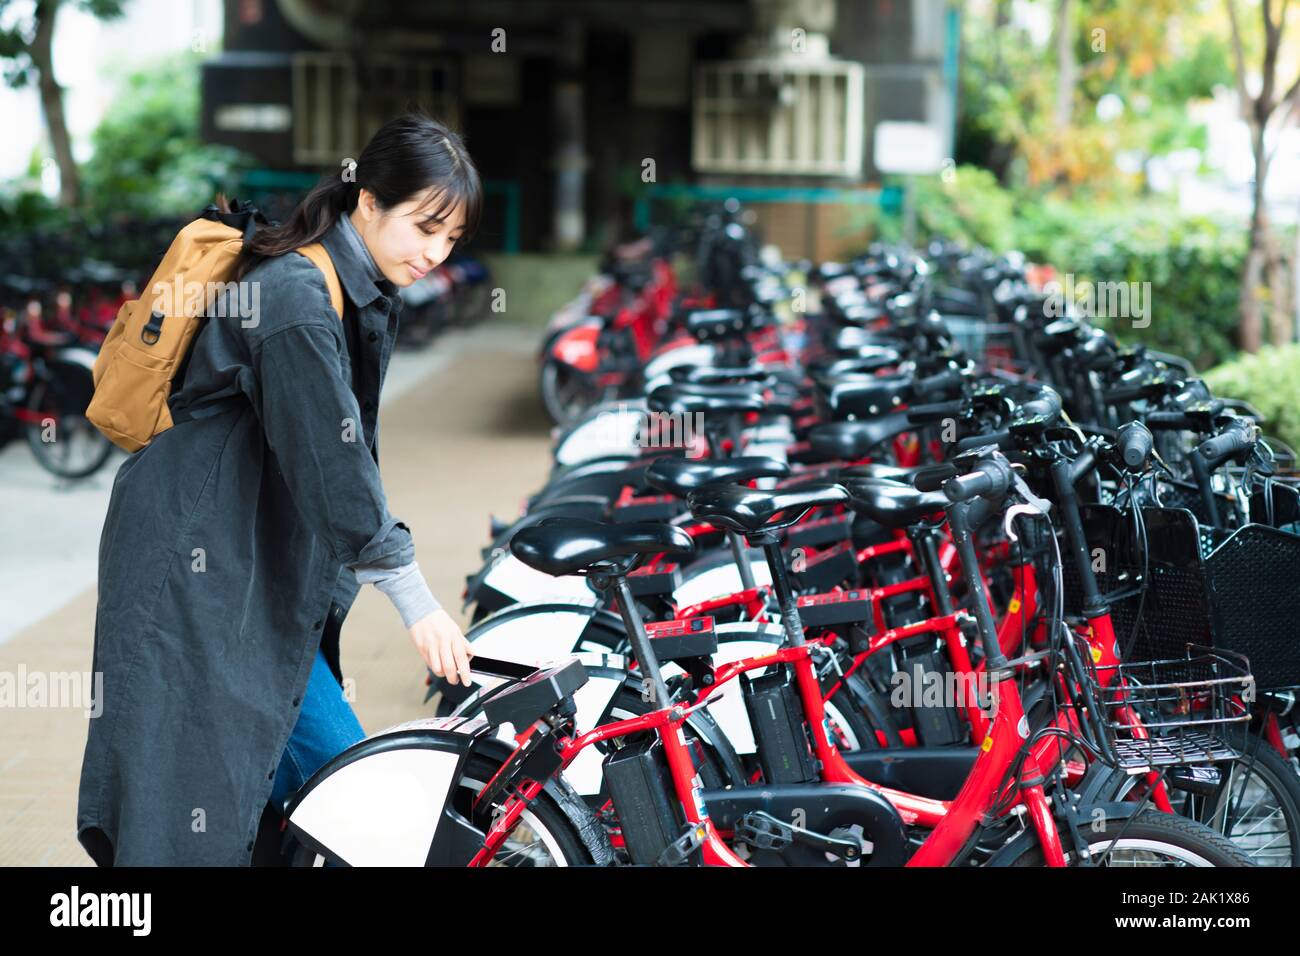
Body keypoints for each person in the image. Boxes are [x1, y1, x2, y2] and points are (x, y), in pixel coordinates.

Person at [76, 111, 480, 866]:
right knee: (348, 790)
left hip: (242, 573)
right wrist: (412, 598)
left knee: (276, 800)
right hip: (195, 573)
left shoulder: (344, 284)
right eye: (425, 227)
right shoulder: (296, 295)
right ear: (369, 203)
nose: (436, 252)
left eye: (451, 238)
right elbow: (335, 466)